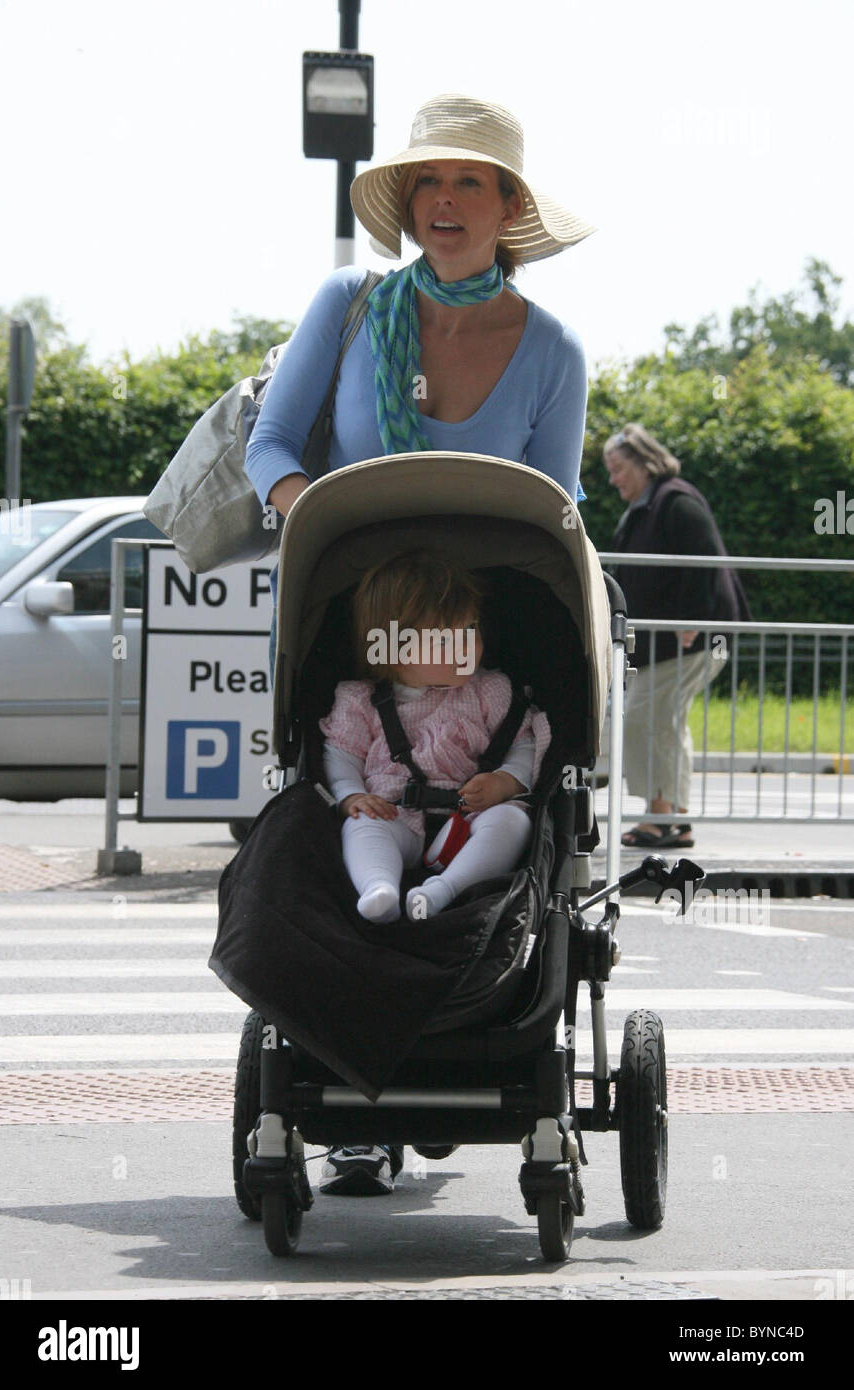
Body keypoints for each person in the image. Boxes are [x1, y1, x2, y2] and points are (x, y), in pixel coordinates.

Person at [245, 92, 594, 1195]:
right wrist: (323, 529)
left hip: (480, 639)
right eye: (428, 181)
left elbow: (554, 519)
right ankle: (339, 1050)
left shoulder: (552, 351)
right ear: (408, 202)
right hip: (359, 622)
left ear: (507, 206)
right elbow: (270, 448)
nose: (445, 200)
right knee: (340, 816)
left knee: (497, 813)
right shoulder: (349, 306)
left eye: (469, 181)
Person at [320, 551, 549, 925]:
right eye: (444, 640)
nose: (465, 648)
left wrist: (505, 781)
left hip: (472, 816)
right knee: (362, 825)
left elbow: (523, 743)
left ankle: (443, 890)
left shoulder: (489, 691)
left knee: (513, 822)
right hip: (394, 812)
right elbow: (342, 755)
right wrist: (352, 796)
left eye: (470, 629)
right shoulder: (361, 701)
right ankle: (379, 888)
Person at [604, 423, 750, 849]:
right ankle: (673, 817)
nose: (613, 479)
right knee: (663, 720)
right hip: (671, 640)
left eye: (617, 468)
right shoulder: (652, 505)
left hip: (686, 639)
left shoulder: (675, 501)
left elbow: (703, 558)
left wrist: (692, 620)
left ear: (643, 463)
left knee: (648, 719)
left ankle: (661, 816)